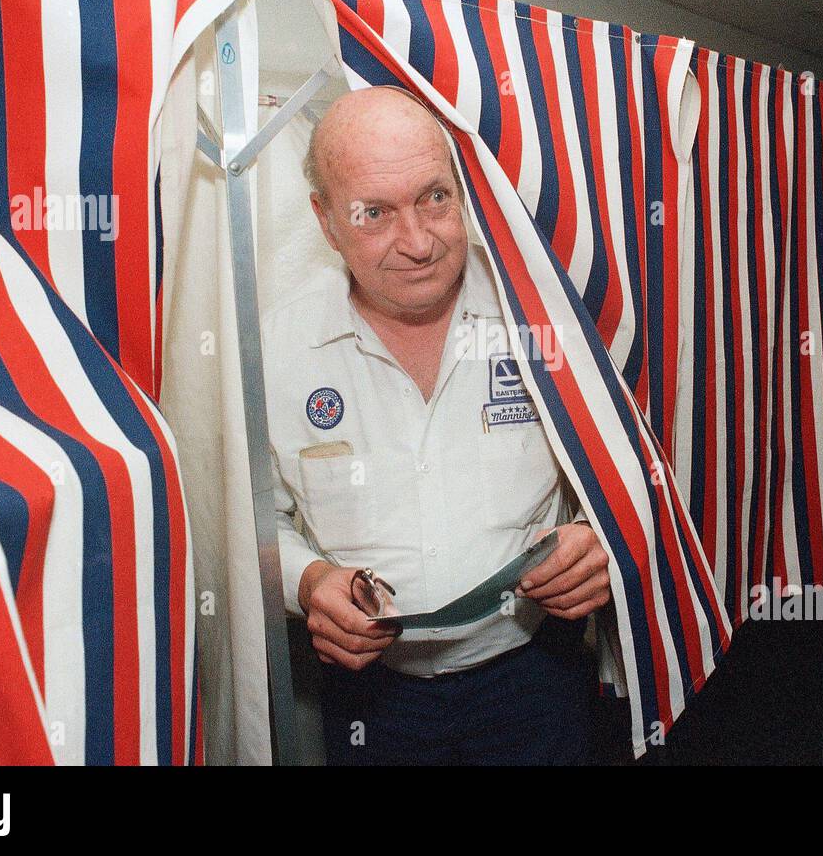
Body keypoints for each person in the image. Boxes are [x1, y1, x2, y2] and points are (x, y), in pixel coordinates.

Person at [260, 86, 614, 765]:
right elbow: (252, 525)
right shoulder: (275, 352)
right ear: (326, 221)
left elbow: (617, 473)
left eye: (434, 198)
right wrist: (309, 583)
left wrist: (595, 540)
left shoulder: (545, 320)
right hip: (372, 701)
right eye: (374, 213)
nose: (417, 242)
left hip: (538, 679)